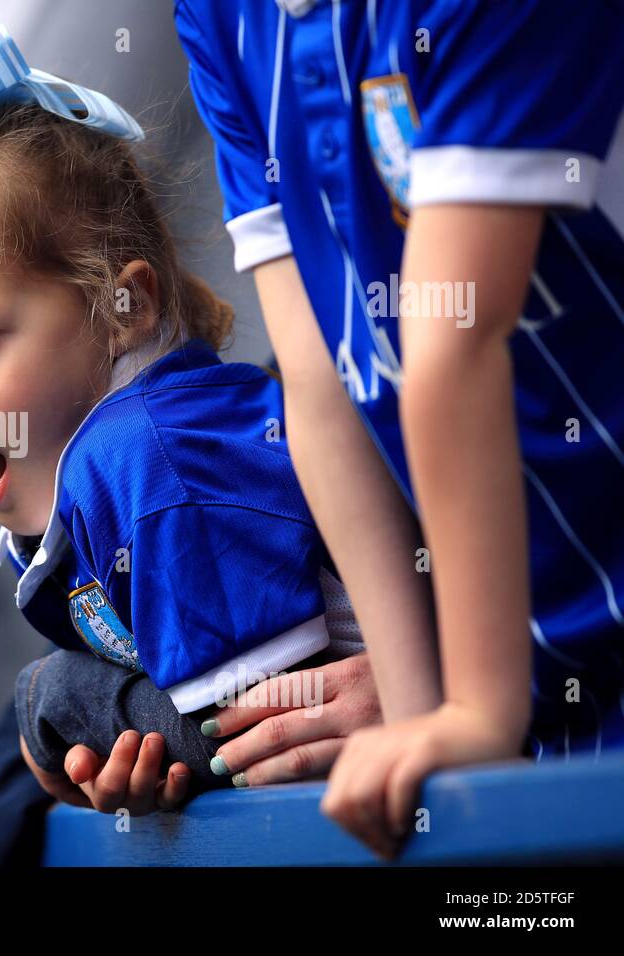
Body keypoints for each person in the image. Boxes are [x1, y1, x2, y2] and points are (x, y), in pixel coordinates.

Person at [0, 25, 364, 817]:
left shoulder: (153, 457)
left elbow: (271, 733)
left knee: (26, 717)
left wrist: (63, 705)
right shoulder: (101, 472)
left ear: (124, 307)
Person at [176, 0, 624, 856]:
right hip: (536, 677)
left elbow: (454, 342)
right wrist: (422, 717)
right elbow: (318, 380)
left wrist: (476, 713)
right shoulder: (220, 18)